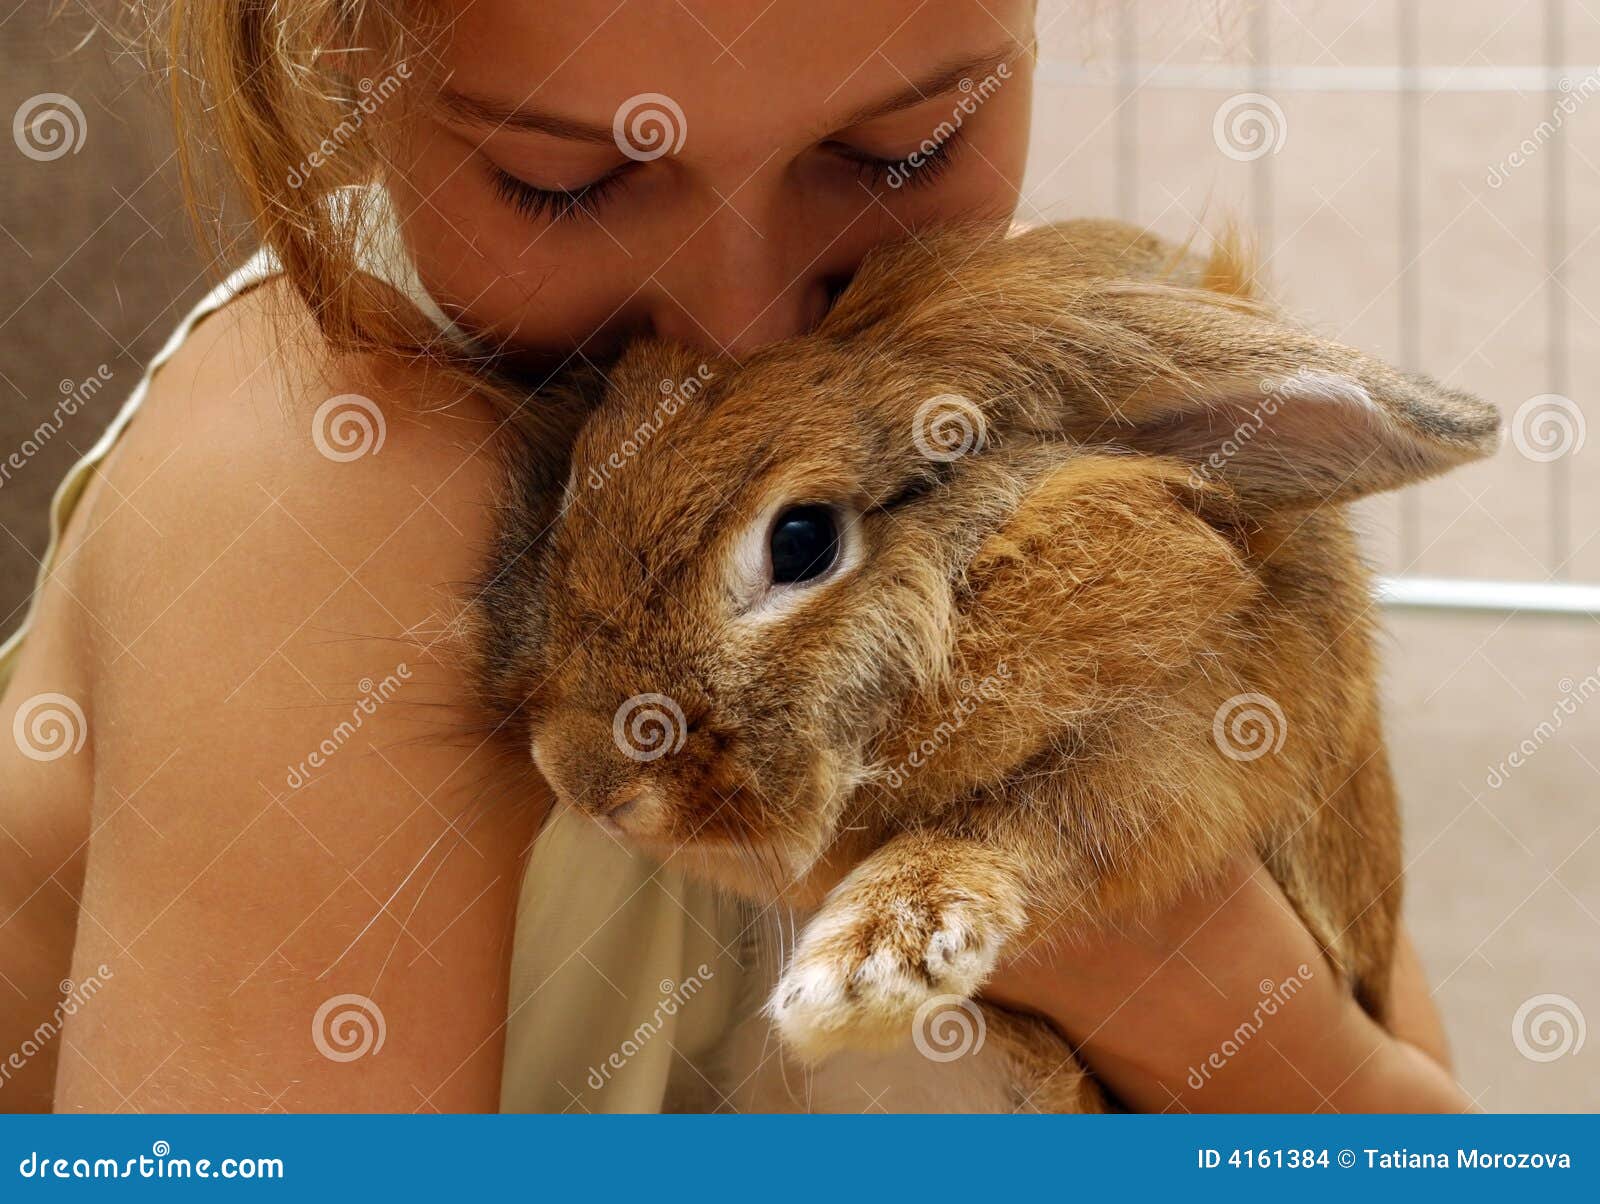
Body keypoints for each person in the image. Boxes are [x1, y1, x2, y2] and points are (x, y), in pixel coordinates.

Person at [0, 0, 1469, 1113]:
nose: (746, 325)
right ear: (339, 50)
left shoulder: (1003, 400)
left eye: (904, 148)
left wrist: (1143, 942)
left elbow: (1416, 1128)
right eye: (562, 180)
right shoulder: (330, 487)